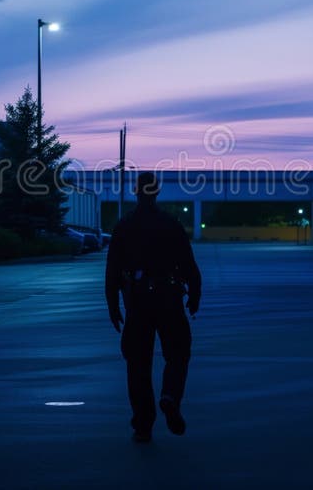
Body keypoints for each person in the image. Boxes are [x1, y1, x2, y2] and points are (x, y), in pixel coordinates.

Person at [105, 171, 202, 443]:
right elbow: (189, 264)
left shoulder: (124, 226)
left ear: (136, 191)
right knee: (178, 354)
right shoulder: (171, 224)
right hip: (169, 299)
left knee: (138, 364)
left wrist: (113, 306)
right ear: (156, 192)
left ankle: (143, 425)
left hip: (138, 303)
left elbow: (112, 270)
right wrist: (194, 296)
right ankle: (170, 395)